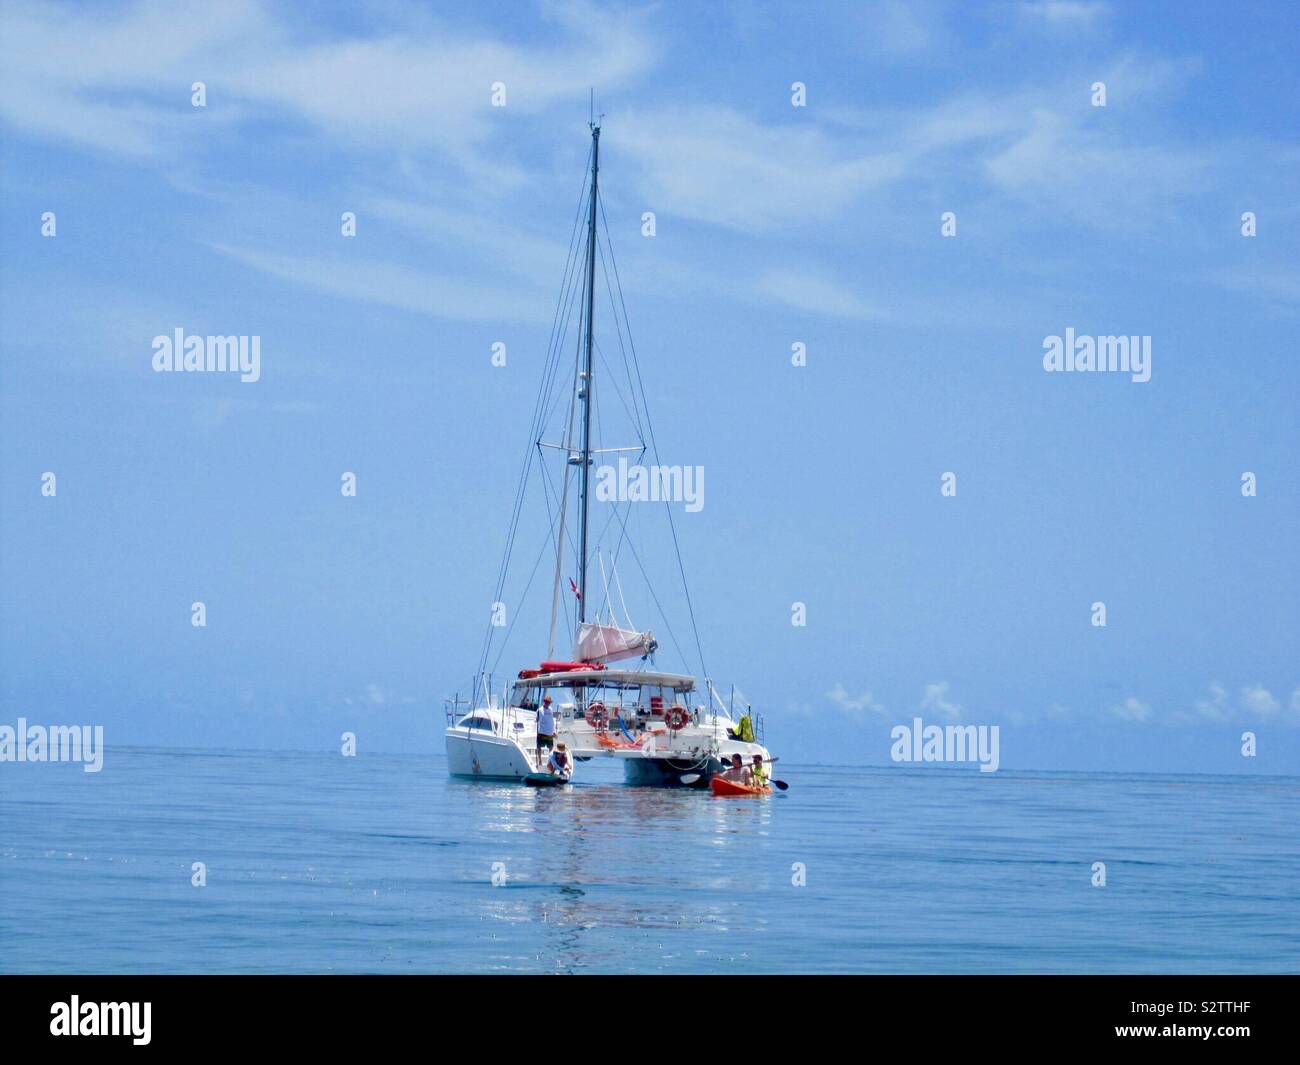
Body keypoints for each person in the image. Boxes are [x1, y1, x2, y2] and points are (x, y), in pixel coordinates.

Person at [536, 695, 556, 764]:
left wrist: (554, 731)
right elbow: (537, 720)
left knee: (550, 747)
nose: (548, 703)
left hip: (550, 732)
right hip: (542, 731)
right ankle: (540, 760)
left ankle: (550, 760)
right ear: (544, 702)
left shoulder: (551, 709)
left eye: (549, 702)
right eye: (547, 702)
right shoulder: (540, 710)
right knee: (539, 746)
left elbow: (552, 721)